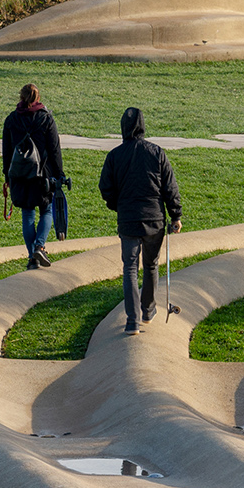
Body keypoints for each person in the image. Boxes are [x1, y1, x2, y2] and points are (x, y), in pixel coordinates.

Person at [97, 107, 182, 335]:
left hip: (128, 220)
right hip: (154, 219)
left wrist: (117, 205)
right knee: (151, 265)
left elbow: (105, 188)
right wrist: (176, 215)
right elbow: (169, 187)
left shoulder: (114, 156)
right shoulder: (157, 153)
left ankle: (132, 321)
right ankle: (148, 310)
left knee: (130, 269)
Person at [1, 83, 64, 269]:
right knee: (46, 210)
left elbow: (6, 152)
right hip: (43, 174)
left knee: (27, 214)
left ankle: (32, 258)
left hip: (19, 175)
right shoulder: (46, 119)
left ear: (21, 97)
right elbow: (54, 150)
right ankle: (40, 246)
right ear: (37, 98)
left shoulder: (11, 119)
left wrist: (7, 177)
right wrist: (59, 175)